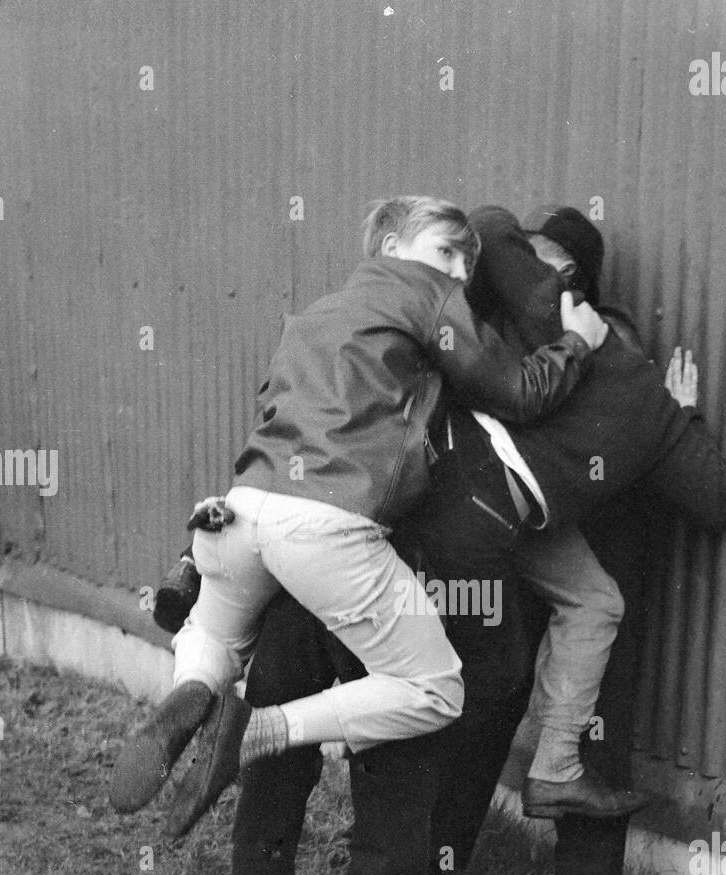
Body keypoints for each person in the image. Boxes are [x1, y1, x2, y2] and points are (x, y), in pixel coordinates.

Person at [169, 203, 726, 875]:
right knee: (411, 735)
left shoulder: (364, 319)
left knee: (311, 727)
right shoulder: (481, 325)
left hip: (315, 532)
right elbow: (710, 493)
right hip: (401, 550)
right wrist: (662, 403)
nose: (468, 273)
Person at [109, 196, 604, 835]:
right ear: (391, 247)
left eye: (465, 261)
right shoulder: (426, 298)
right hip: (327, 527)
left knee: (211, 637)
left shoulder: (314, 315)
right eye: (444, 251)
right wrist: (577, 344)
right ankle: (257, 731)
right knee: (433, 688)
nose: (458, 272)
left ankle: (197, 688)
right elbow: (519, 391)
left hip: (243, 512)